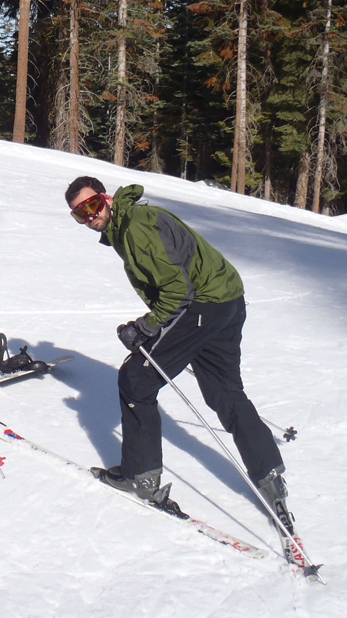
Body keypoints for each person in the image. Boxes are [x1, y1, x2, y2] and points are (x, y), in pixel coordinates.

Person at [64, 176, 292, 532]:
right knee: (225, 391)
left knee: (135, 377)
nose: (89, 217)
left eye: (92, 206)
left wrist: (146, 326)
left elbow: (177, 292)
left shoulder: (134, 228)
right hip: (227, 298)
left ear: (106, 199)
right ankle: (269, 473)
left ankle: (141, 476)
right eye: (80, 215)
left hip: (202, 303)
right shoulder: (131, 222)